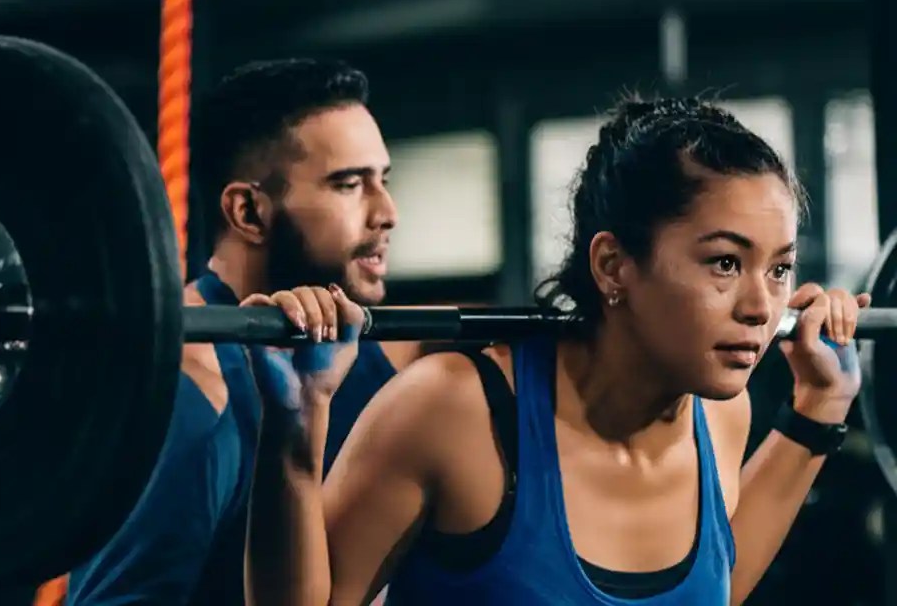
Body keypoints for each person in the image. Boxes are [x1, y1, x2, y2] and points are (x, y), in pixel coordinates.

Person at [241, 96, 871, 605]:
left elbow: (712, 590)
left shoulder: (719, 416)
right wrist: (294, 434)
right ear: (613, 265)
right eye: (726, 263)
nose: (762, 306)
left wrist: (821, 404)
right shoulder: (453, 412)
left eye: (780, 269)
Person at [59, 58, 421, 606]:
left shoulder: (366, 361)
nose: (386, 212)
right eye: (349, 185)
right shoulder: (189, 397)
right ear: (249, 212)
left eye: (382, 181)